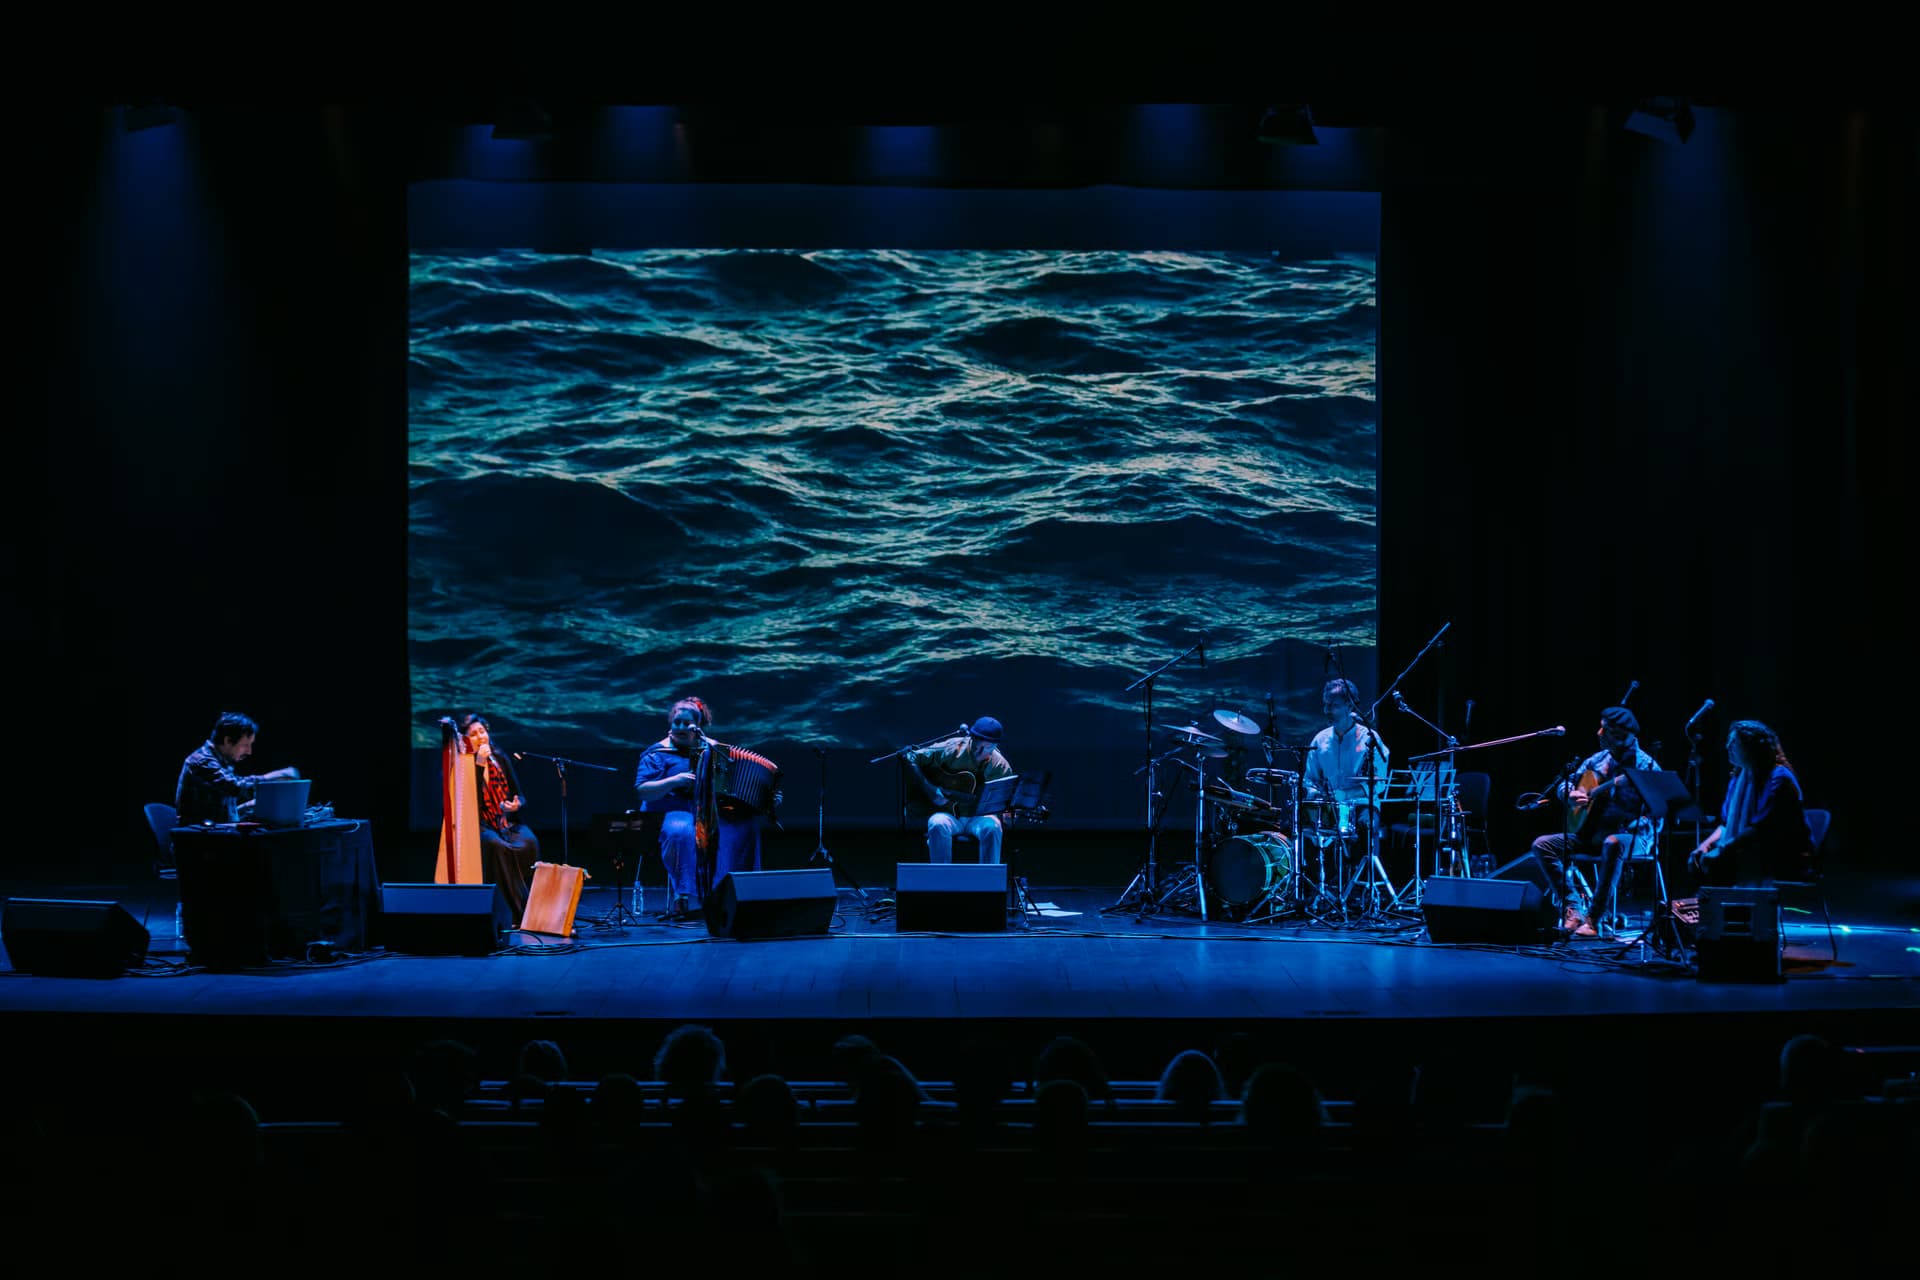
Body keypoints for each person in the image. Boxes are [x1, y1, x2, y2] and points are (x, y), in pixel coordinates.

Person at [1527, 705, 1660, 937]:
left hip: (1631, 838)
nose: (1599, 734)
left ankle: (1595, 918)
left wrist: (1639, 823)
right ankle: (1573, 908)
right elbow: (1565, 784)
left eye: (1605, 730)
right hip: (1591, 834)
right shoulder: (1597, 760)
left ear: (1620, 736)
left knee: (1613, 843)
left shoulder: (1646, 766)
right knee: (1542, 844)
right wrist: (1568, 793)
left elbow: (1659, 811)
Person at [633, 696, 762, 916]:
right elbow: (643, 789)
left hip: (706, 810)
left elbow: (731, 783)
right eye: (677, 723)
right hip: (668, 811)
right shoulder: (657, 753)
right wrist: (673, 781)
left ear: (698, 727)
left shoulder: (715, 750)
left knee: (743, 827)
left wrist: (763, 796)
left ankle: (732, 891)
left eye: (687, 724)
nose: (680, 728)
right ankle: (684, 895)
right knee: (682, 831)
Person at [1688, 719, 1813, 886]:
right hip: (1753, 847)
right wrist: (1705, 845)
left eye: (1734, 742)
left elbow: (1761, 828)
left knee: (1720, 864)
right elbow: (1725, 824)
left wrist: (1723, 850)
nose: (1727, 747)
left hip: (1782, 853)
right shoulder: (1739, 777)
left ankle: (1733, 908)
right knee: (1701, 859)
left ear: (1752, 747)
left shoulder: (1779, 777)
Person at [459, 714, 540, 919]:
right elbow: (470, 802)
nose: (481, 737)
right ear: (465, 739)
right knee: (496, 846)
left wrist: (515, 805)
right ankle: (509, 912)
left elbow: (519, 795)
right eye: (474, 734)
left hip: (506, 821)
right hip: (482, 824)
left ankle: (530, 906)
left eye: (482, 731)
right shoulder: (464, 764)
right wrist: (478, 764)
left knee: (529, 841)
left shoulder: (500, 757)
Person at [904, 717, 1014, 863]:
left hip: (978, 817)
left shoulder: (1000, 766)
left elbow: (1006, 803)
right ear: (971, 738)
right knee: (937, 823)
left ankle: (989, 880)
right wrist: (932, 791)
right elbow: (910, 757)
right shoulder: (951, 748)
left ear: (994, 745)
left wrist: (1009, 814)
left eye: (987, 748)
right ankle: (941, 879)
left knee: (993, 827)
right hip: (949, 814)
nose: (979, 752)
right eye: (976, 746)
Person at [1303, 679, 1389, 846]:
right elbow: (1309, 779)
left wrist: (1345, 794)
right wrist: (1314, 795)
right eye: (1325, 705)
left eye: (1333, 705)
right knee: (1299, 828)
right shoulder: (1320, 740)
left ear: (1350, 706)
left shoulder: (1369, 738)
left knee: (1366, 827)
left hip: (1361, 806)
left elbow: (1379, 783)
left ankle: (1364, 871)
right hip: (1328, 807)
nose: (1327, 710)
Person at [174, 712, 299, 825]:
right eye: (245, 745)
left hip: (215, 833)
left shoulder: (222, 760)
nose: (249, 751)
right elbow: (235, 786)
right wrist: (274, 776)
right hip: (197, 842)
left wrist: (250, 806)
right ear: (228, 740)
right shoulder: (201, 761)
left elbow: (221, 812)